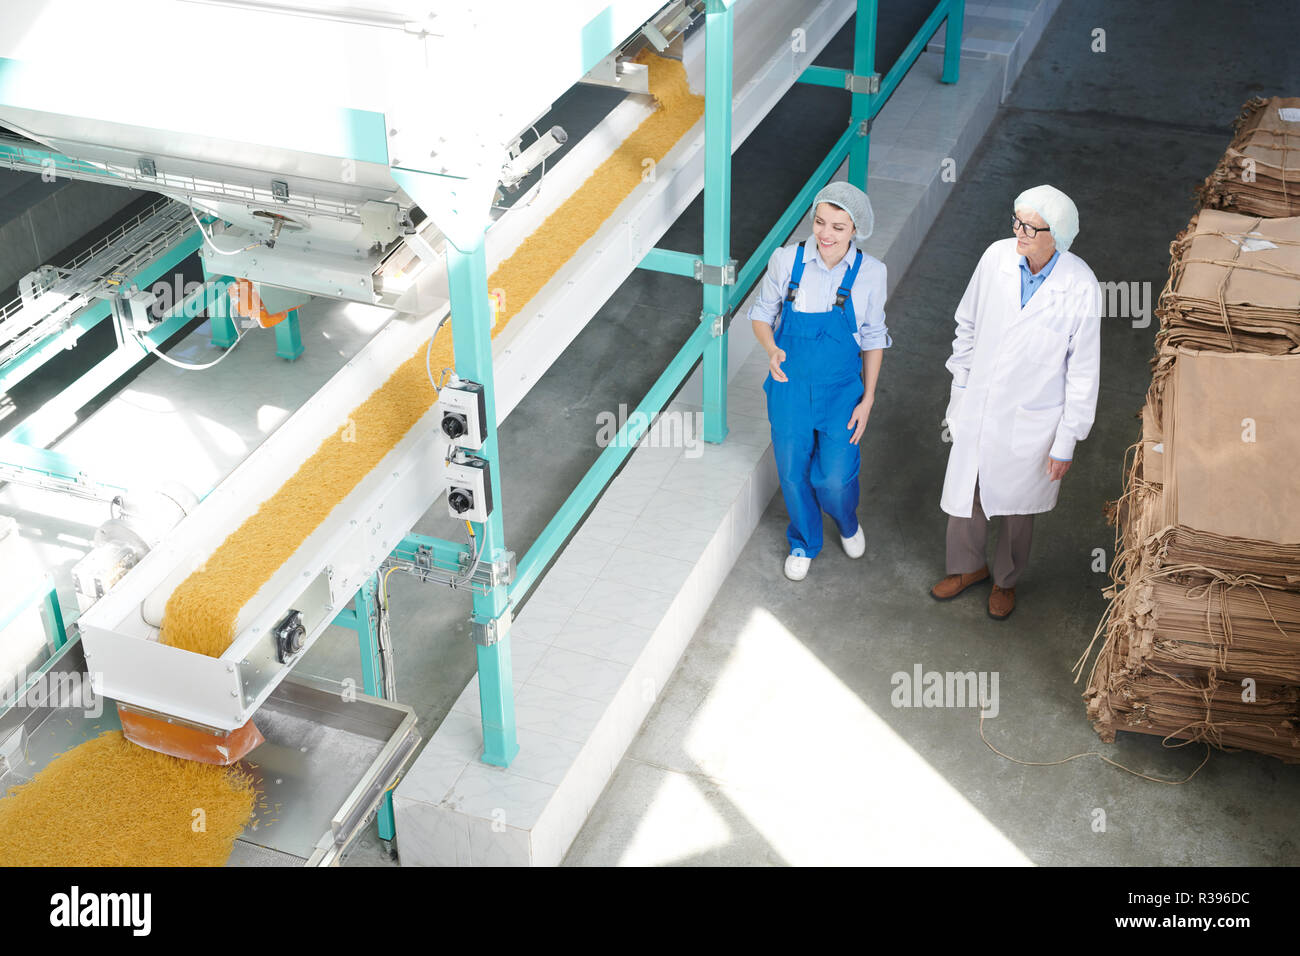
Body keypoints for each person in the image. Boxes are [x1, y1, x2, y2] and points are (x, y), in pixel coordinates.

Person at [931, 184, 1101, 619]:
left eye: (1030, 226)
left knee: (1018, 508)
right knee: (968, 489)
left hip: (1035, 421)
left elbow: (1083, 371)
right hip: (979, 403)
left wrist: (1067, 440)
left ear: (1057, 235)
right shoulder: (995, 258)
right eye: (1017, 221)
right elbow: (966, 325)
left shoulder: (1080, 285)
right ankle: (967, 567)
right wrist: (961, 390)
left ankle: (1005, 580)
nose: (1019, 232)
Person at [750, 181, 890, 582]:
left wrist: (869, 399)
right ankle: (804, 540)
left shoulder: (871, 273)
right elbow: (762, 314)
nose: (826, 234)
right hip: (789, 386)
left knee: (833, 477)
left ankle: (846, 520)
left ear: (856, 230)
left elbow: (874, 337)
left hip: (842, 392)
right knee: (792, 473)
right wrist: (771, 348)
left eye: (839, 227)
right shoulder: (786, 261)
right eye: (820, 222)